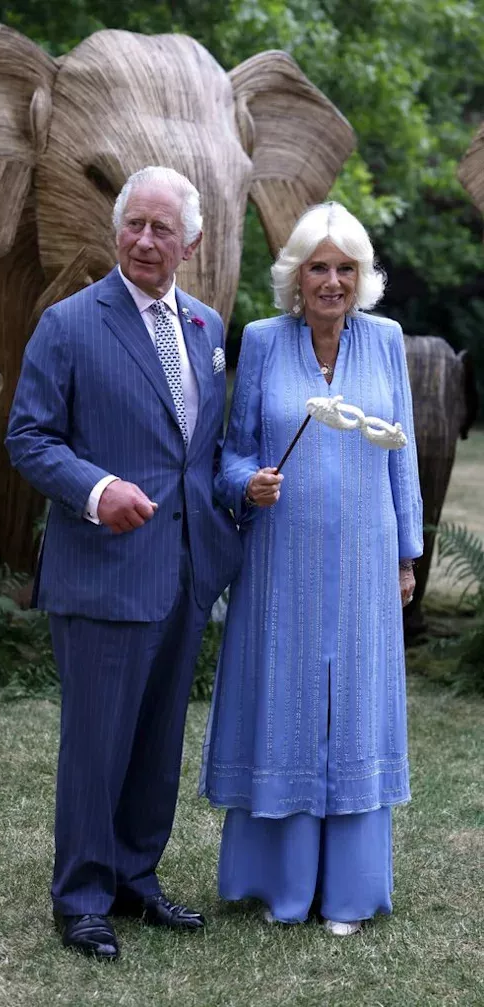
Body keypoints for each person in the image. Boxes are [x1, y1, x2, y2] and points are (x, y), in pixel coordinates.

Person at [5, 166, 241, 961]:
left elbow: (199, 454)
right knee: (96, 744)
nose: (145, 240)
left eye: (162, 229)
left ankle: (136, 877)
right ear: (116, 232)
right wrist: (98, 489)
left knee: (157, 737)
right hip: (102, 571)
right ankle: (82, 897)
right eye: (134, 225)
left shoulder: (206, 328)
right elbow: (28, 438)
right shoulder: (68, 325)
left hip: (183, 572)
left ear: (192, 242)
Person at [200, 201, 423, 936]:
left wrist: (407, 554)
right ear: (295, 277)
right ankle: (282, 886)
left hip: (366, 557)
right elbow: (231, 451)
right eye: (318, 267)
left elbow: (404, 453)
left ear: (363, 278)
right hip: (279, 560)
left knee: (355, 705)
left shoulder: (388, 340)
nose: (331, 281)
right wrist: (245, 484)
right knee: (286, 704)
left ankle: (351, 894)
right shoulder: (262, 341)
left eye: (345, 268)